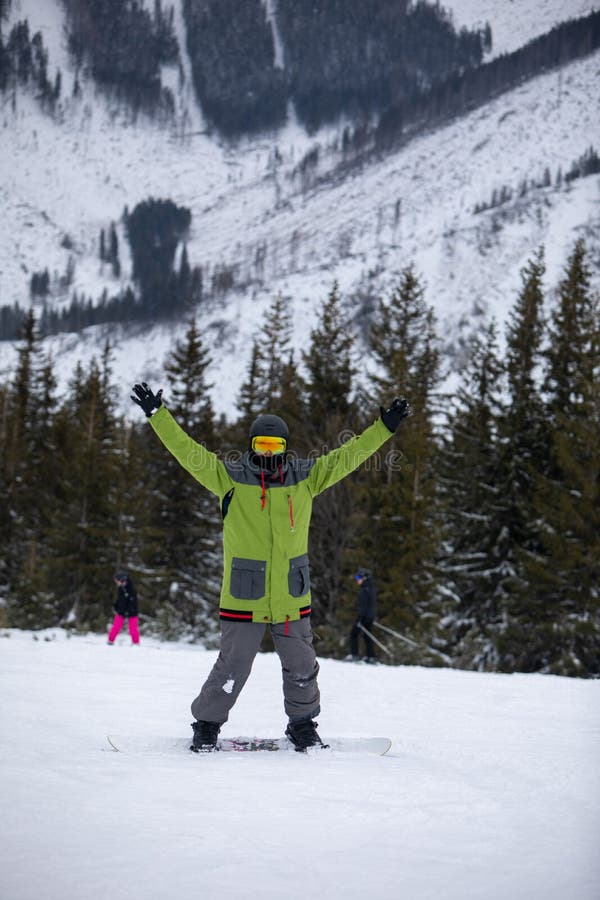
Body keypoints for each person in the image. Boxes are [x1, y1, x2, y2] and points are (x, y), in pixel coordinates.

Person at [131, 381, 411, 752]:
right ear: (251, 446)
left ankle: (302, 726)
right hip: (243, 595)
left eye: (274, 446)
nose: (267, 453)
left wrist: (384, 428)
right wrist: (158, 416)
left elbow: (349, 455)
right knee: (232, 667)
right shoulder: (228, 478)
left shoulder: (306, 478)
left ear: (285, 448)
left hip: (291, 595)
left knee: (302, 666)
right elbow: (187, 451)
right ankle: (207, 725)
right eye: (261, 446)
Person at [349, 568, 377, 662]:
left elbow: (364, 606)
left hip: (363, 616)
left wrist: (360, 619)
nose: (357, 580)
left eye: (358, 577)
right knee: (367, 635)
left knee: (353, 634)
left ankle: (354, 655)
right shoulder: (371, 588)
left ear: (365, 578)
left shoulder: (365, 590)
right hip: (370, 616)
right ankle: (371, 656)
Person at [107, 572, 140, 645]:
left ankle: (136, 643)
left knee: (133, 628)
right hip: (121, 611)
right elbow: (120, 600)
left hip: (132, 612)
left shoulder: (131, 589)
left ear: (122, 580)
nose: (116, 583)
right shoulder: (120, 588)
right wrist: (116, 606)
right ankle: (110, 641)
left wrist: (129, 611)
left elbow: (133, 602)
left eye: (117, 581)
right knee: (116, 626)